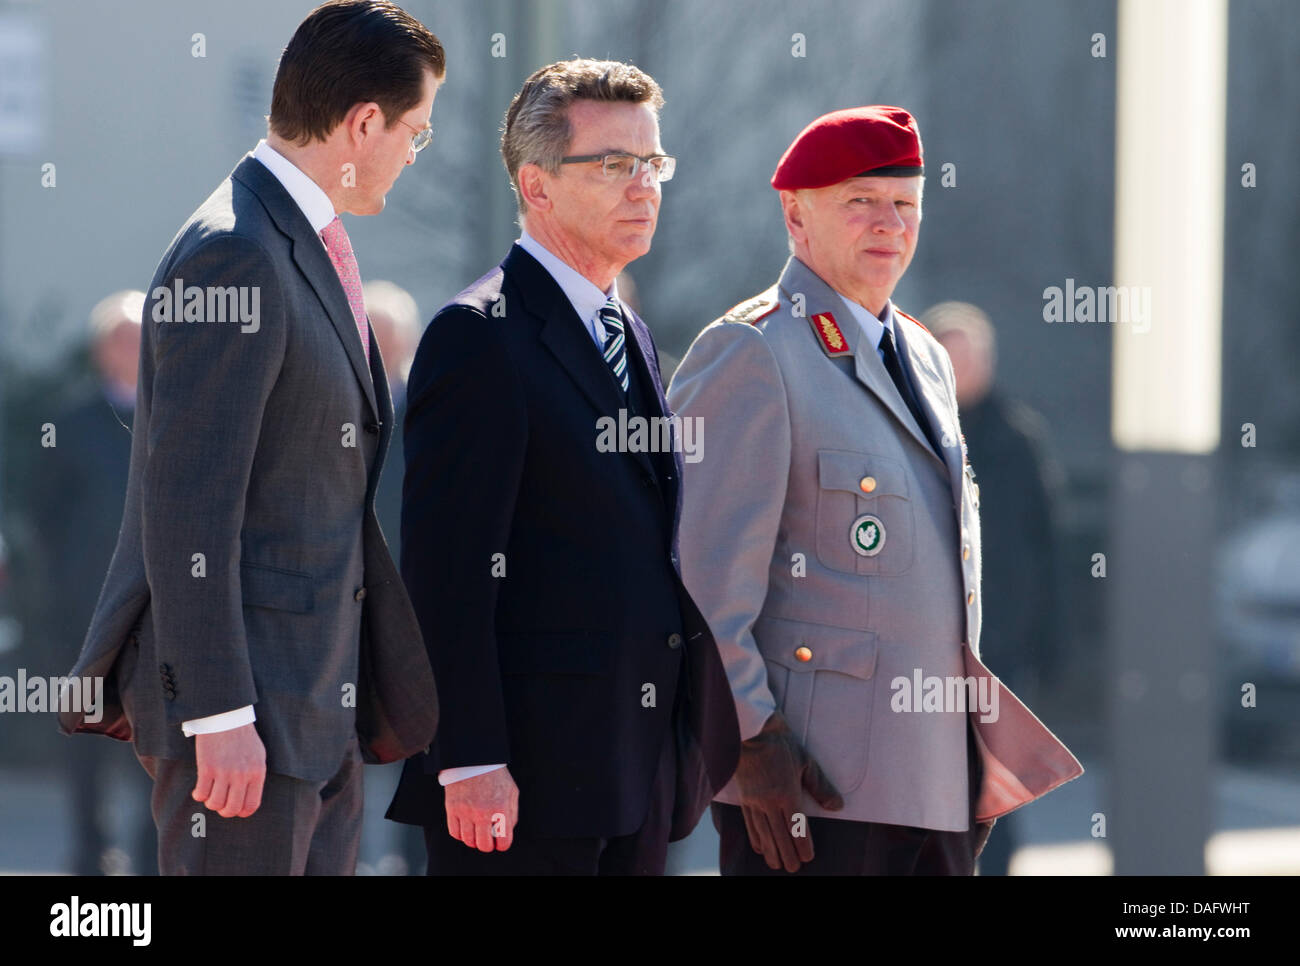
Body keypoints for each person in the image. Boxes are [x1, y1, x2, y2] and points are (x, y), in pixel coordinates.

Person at [58, 0, 445, 875]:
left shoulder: (290, 238)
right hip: (248, 729)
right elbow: (186, 505)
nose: (414, 156)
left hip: (313, 713)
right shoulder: (233, 251)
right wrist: (219, 714)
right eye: (414, 133)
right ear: (363, 123)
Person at [668, 105, 1082, 876]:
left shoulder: (925, 354)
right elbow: (703, 580)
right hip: (813, 790)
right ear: (795, 214)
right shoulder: (753, 350)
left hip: (932, 785)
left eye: (905, 205)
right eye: (860, 201)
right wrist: (750, 740)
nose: (889, 223)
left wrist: (963, 758)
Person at [386, 58, 740, 875]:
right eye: (616, 165)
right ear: (537, 187)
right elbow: (447, 573)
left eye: (654, 163)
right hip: (524, 782)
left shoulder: (631, 330)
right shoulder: (478, 336)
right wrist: (469, 759)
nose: (645, 185)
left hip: (635, 767)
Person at [924, 300, 1066, 875]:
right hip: (924, 650)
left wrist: (1050, 644)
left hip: (1001, 647)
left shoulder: (1019, 439)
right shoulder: (908, 424)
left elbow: (1046, 546)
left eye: (973, 356)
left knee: (997, 795)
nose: (964, 368)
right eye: (952, 357)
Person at [33, 291, 156, 874]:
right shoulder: (69, 422)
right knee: (85, 736)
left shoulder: (175, 413)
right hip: (84, 607)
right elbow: (43, 515)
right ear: (100, 351)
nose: (131, 349)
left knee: (155, 735)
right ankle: (90, 853)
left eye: (140, 338)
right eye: (120, 339)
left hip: (158, 610)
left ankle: (155, 850)